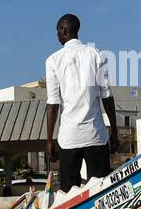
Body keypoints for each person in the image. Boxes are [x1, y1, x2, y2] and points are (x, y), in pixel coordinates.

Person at [45, 14, 118, 191]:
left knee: (70, 195)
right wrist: (114, 131)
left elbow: (53, 103)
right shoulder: (97, 55)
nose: (57, 35)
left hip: (69, 137)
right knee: (101, 192)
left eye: (58, 31)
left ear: (64, 30)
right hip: (96, 135)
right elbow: (106, 96)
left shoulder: (53, 60)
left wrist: (49, 139)